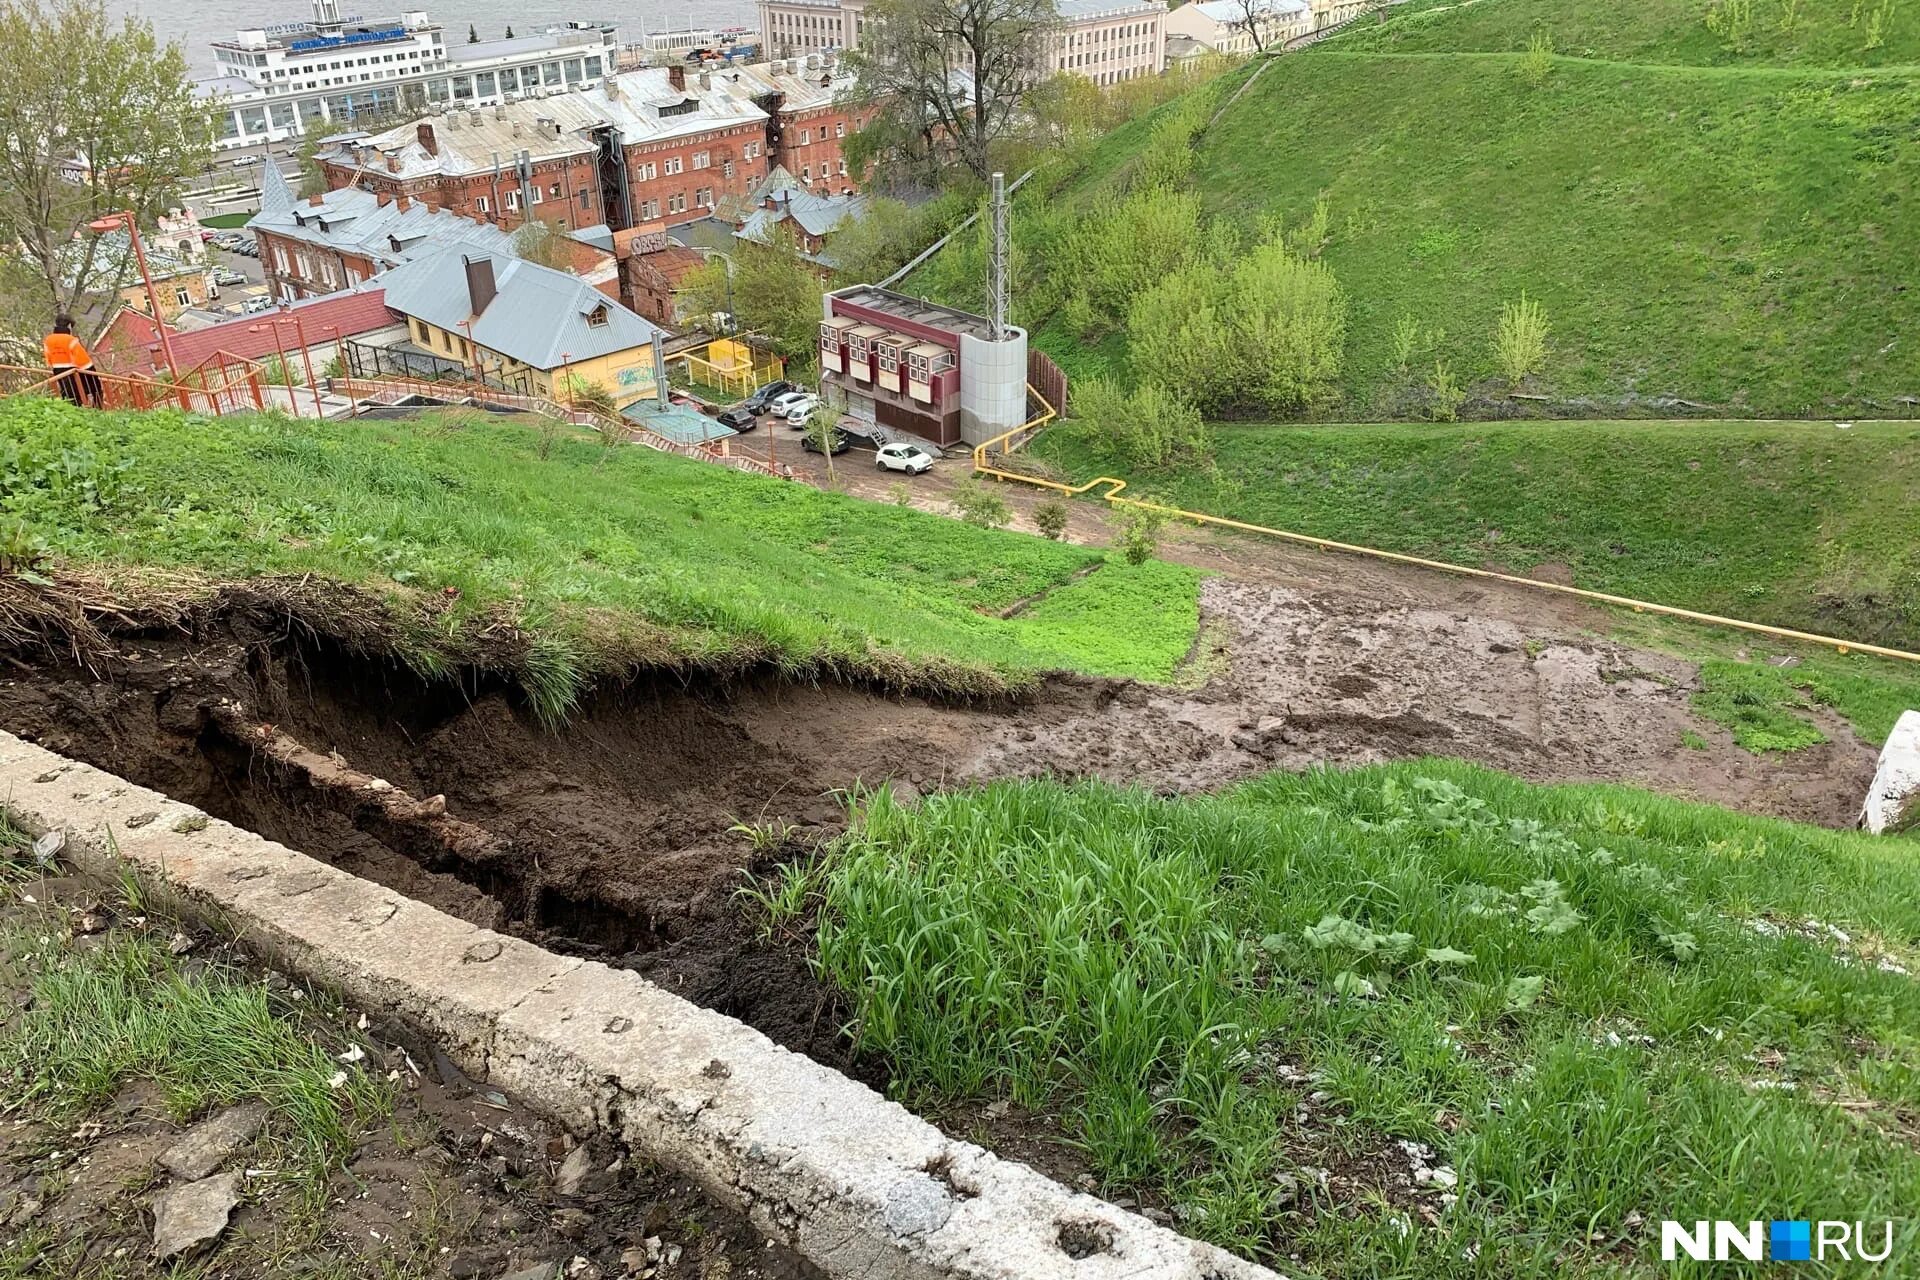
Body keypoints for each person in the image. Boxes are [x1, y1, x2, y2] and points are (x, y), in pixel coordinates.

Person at [42, 315, 103, 408]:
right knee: (94, 389)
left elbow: (48, 357)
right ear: (69, 326)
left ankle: (70, 410)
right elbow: (83, 360)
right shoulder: (70, 340)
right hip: (73, 371)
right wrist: (92, 373)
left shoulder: (48, 340)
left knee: (68, 394)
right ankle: (97, 408)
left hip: (58, 371)